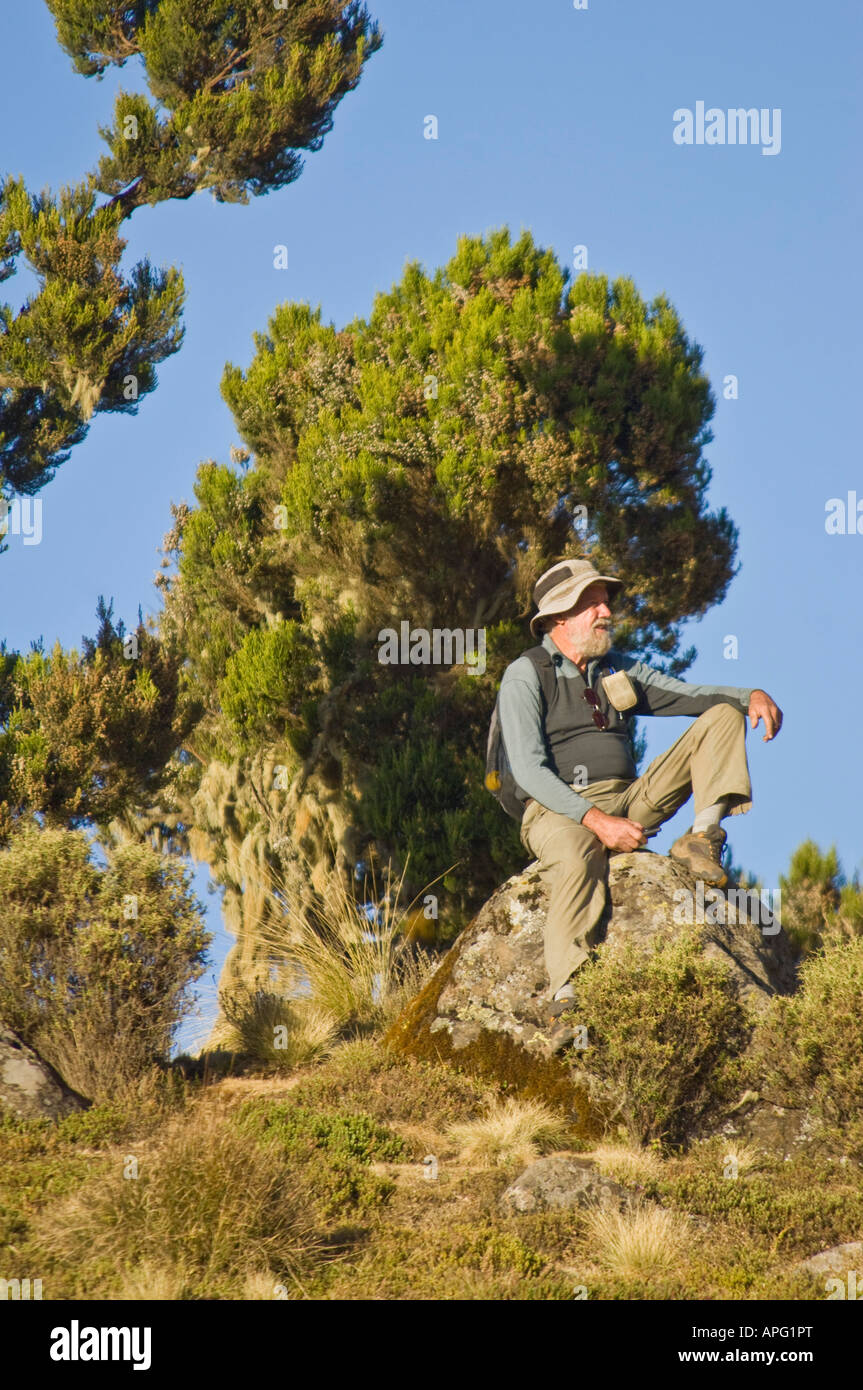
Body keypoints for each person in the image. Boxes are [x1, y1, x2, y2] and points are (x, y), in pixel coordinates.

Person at [498, 559, 783, 1022]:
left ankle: (701, 839)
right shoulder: (526, 674)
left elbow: (689, 694)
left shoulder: (618, 668)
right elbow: (528, 770)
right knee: (577, 856)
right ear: (558, 619)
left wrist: (747, 694)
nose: (605, 610)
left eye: (605, 600)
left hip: (630, 799)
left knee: (722, 716)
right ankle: (566, 995)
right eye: (591, 603)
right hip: (558, 810)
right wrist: (596, 822)